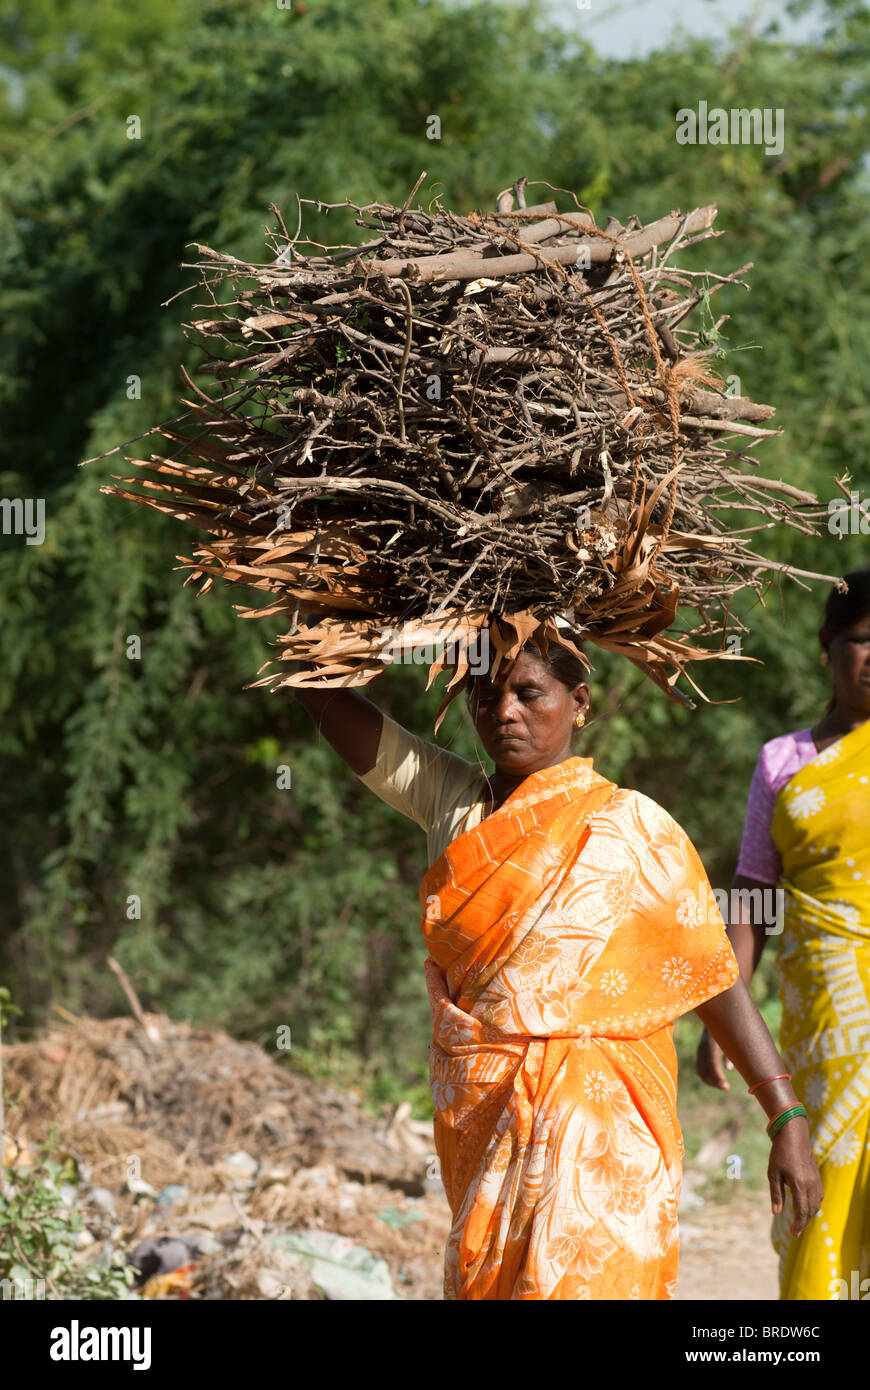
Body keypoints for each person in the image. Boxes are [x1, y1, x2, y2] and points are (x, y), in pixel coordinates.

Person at [297, 636, 821, 1300]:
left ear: (579, 703)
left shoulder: (633, 828)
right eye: (485, 699)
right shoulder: (453, 803)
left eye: (528, 693)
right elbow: (319, 696)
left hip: (607, 1134)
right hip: (485, 1111)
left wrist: (785, 1116)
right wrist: (334, 623)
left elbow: (712, 977)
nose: (505, 713)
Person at [698, 568, 870, 1301]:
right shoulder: (783, 761)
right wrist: (722, 1015)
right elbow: (753, 897)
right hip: (824, 1017)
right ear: (828, 646)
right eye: (863, 639)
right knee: (827, 1175)